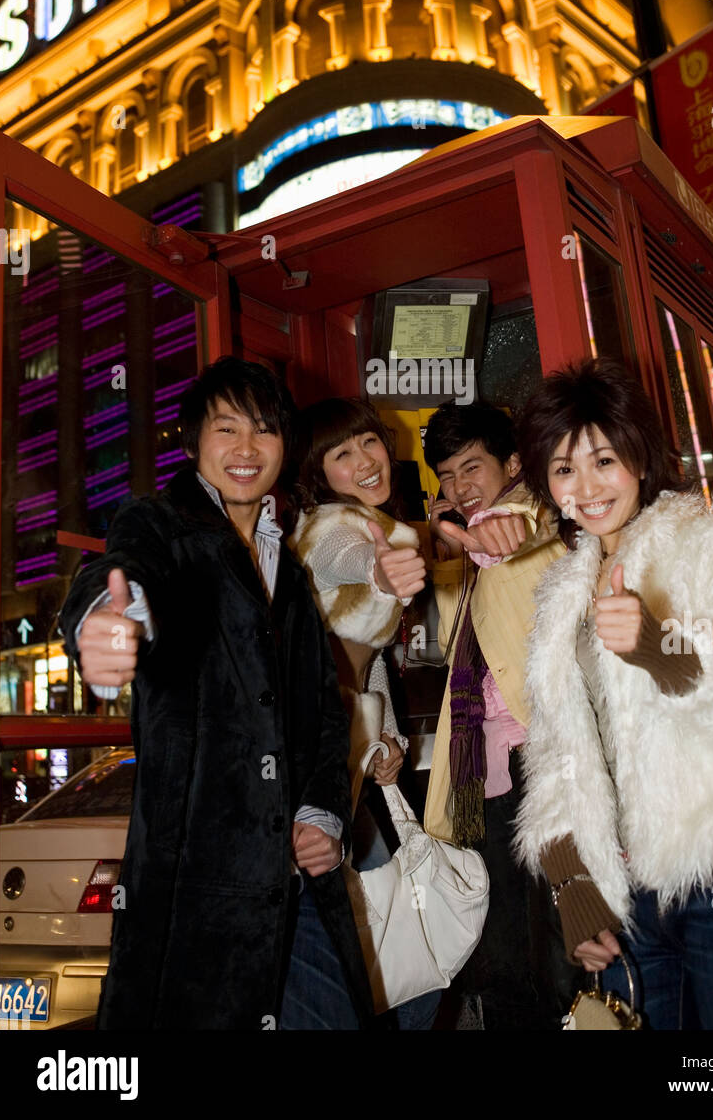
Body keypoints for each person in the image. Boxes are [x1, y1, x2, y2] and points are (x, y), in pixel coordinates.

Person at [515, 356, 713, 1031]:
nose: (588, 486)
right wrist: (574, 887)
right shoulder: (560, 594)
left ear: (639, 456)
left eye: (604, 460)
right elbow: (553, 755)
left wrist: (657, 647)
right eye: (564, 469)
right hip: (628, 897)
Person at [58, 357, 375, 1030]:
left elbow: (322, 710)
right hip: (195, 891)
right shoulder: (161, 524)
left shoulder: (285, 563)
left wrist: (320, 814)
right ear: (192, 441)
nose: (245, 449)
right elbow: (123, 572)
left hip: (294, 889)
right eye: (226, 429)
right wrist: (107, 621)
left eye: (263, 431)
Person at [286, 395, 440, 1029]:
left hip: (345, 769)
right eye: (341, 455)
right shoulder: (329, 529)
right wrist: (380, 572)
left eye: (369, 444)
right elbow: (348, 559)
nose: (365, 462)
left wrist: (387, 742)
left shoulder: (371, 520)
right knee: (393, 942)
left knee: (402, 936)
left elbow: (366, 655)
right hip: (308, 772)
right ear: (319, 475)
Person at [422, 400, 576, 1030]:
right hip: (484, 773)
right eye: (447, 477)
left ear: (513, 463)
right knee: (502, 943)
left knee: (567, 932)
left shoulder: (540, 515)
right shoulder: (458, 546)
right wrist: (443, 536)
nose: (460, 488)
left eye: (472, 468)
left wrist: (495, 527)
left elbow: (520, 529)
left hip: (545, 759)